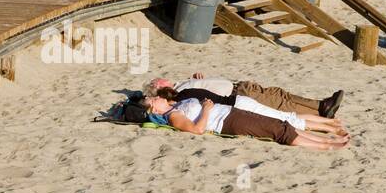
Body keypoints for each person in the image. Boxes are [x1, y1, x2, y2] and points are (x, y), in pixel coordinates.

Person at [142, 92, 350, 150]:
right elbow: (197, 130)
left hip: (232, 113)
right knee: (279, 130)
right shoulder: (173, 116)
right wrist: (206, 109)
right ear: (154, 108)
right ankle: (324, 145)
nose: (158, 97)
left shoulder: (176, 106)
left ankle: (326, 140)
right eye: (154, 99)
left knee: (283, 124)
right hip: (228, 122)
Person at [144, 74, 345, 120]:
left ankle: (320, 104)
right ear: (159, 88)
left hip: (237, 85)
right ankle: (320, 114)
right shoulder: (181, 92)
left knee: (280, 94)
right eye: (157, 81)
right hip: (236, 94)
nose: (161, 78)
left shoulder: (183, 83)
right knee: (279, 104)